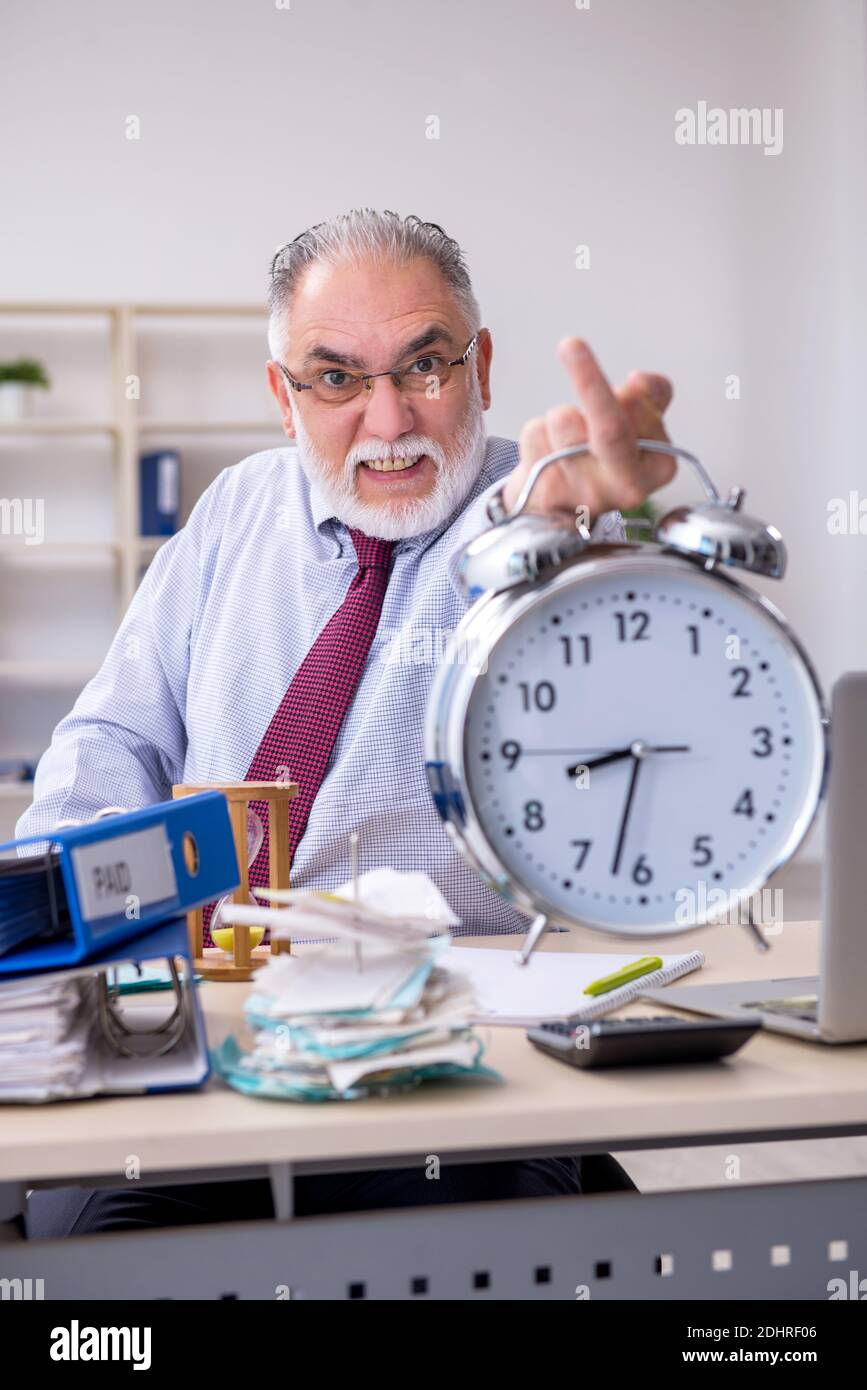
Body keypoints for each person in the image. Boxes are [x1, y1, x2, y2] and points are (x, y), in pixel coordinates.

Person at [22, 210, 674, 1235]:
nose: (388, 421)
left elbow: (635, 688)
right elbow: (115, 741)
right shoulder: (235, 512)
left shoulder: (538, 524)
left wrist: (598, 532)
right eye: (335, 378)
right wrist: (44, 914)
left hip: (446, 1057)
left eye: (424, 367)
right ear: (283, 397)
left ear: (482, 367)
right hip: (203, 1041)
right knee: (114, 1271)